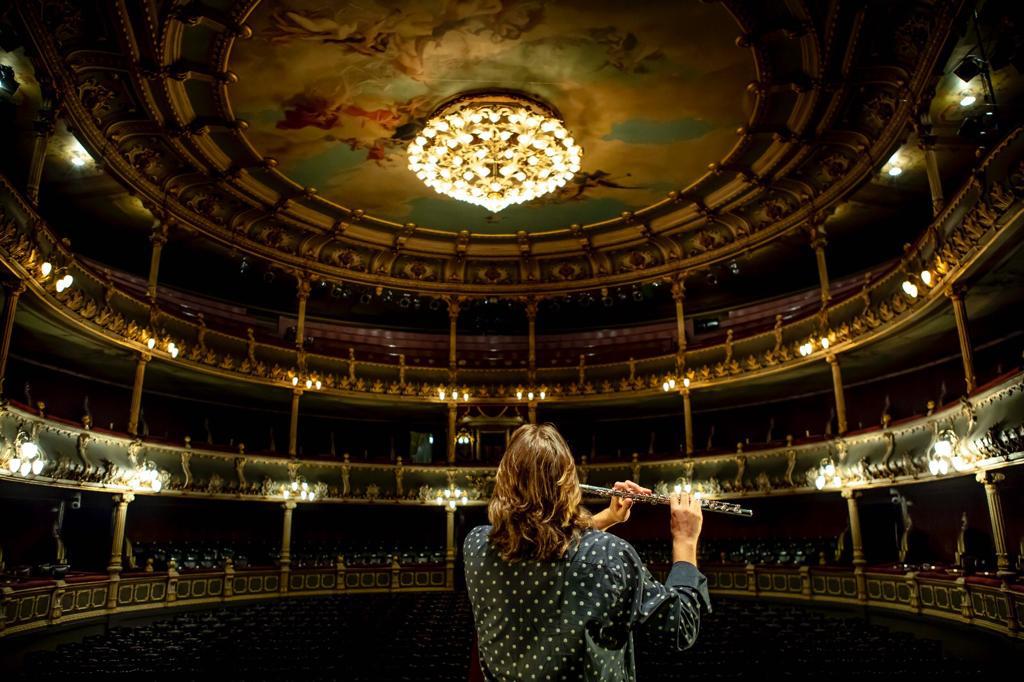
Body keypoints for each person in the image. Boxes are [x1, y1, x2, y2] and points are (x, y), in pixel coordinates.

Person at [464, 423, 710, 681]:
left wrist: (608, 517)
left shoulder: (477, 545)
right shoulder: (610, 555)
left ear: (503, 481)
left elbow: (540, 540)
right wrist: (685, 539)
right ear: (569, 484)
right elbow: (681, 627)